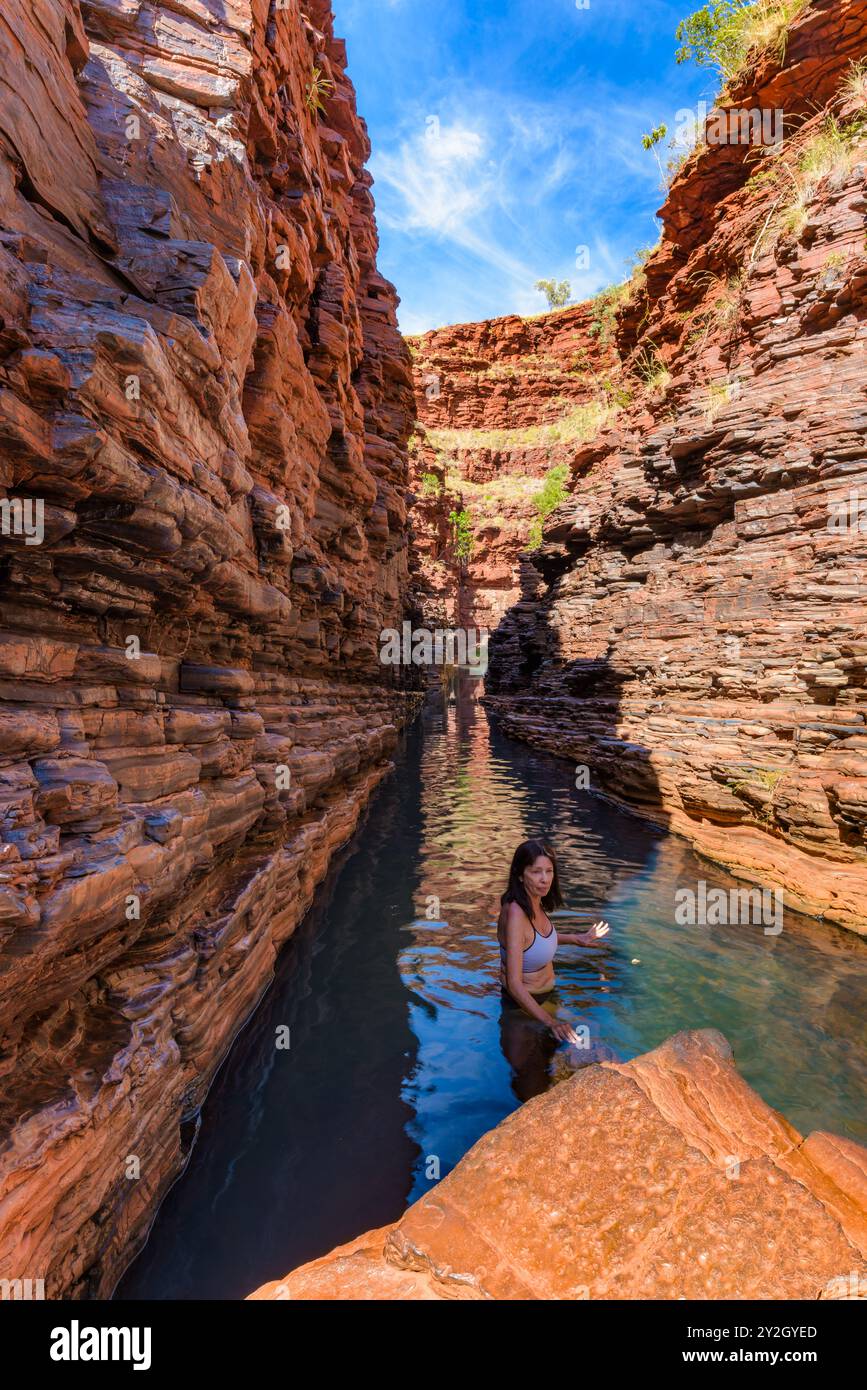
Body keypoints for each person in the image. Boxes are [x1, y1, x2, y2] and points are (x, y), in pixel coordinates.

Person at [497, 839, 611, 1098]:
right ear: (519, 873)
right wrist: (551, 1022)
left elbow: (537, 940)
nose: (544, 879)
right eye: (536, 871)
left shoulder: (534, 901)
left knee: (590, 1051)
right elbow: (514, 983)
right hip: (522, 1009)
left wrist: (577, 938)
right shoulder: (515, 913)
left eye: (549, 871)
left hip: (549, 1001)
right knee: (530, 1085)